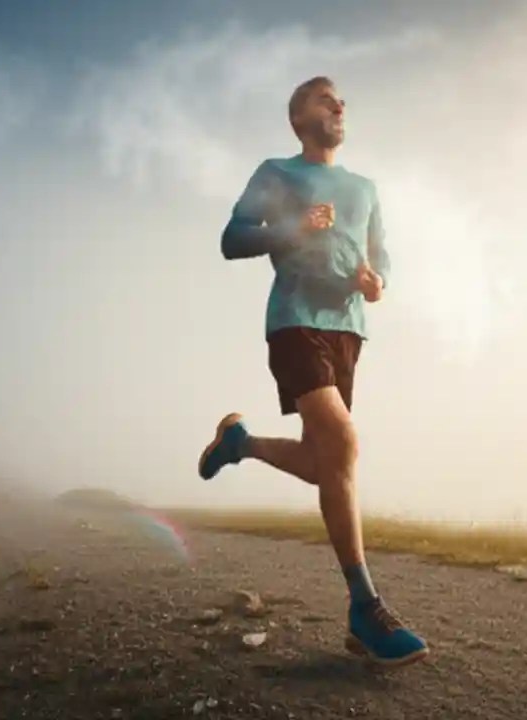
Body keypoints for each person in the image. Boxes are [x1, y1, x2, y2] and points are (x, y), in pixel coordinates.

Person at [197, 76, 428, 667]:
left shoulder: (365, 188)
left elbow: (383, 255)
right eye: (326, 98)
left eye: (342, 99)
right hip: (295, 320)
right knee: (345, 445)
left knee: (327, 461)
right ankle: (365, 606)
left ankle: (240, 442)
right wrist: (296, 229)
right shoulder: (278, 173)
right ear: (299, 118)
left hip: (348, 330)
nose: (340, 104)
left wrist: (379, 284)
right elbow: (232, 240)